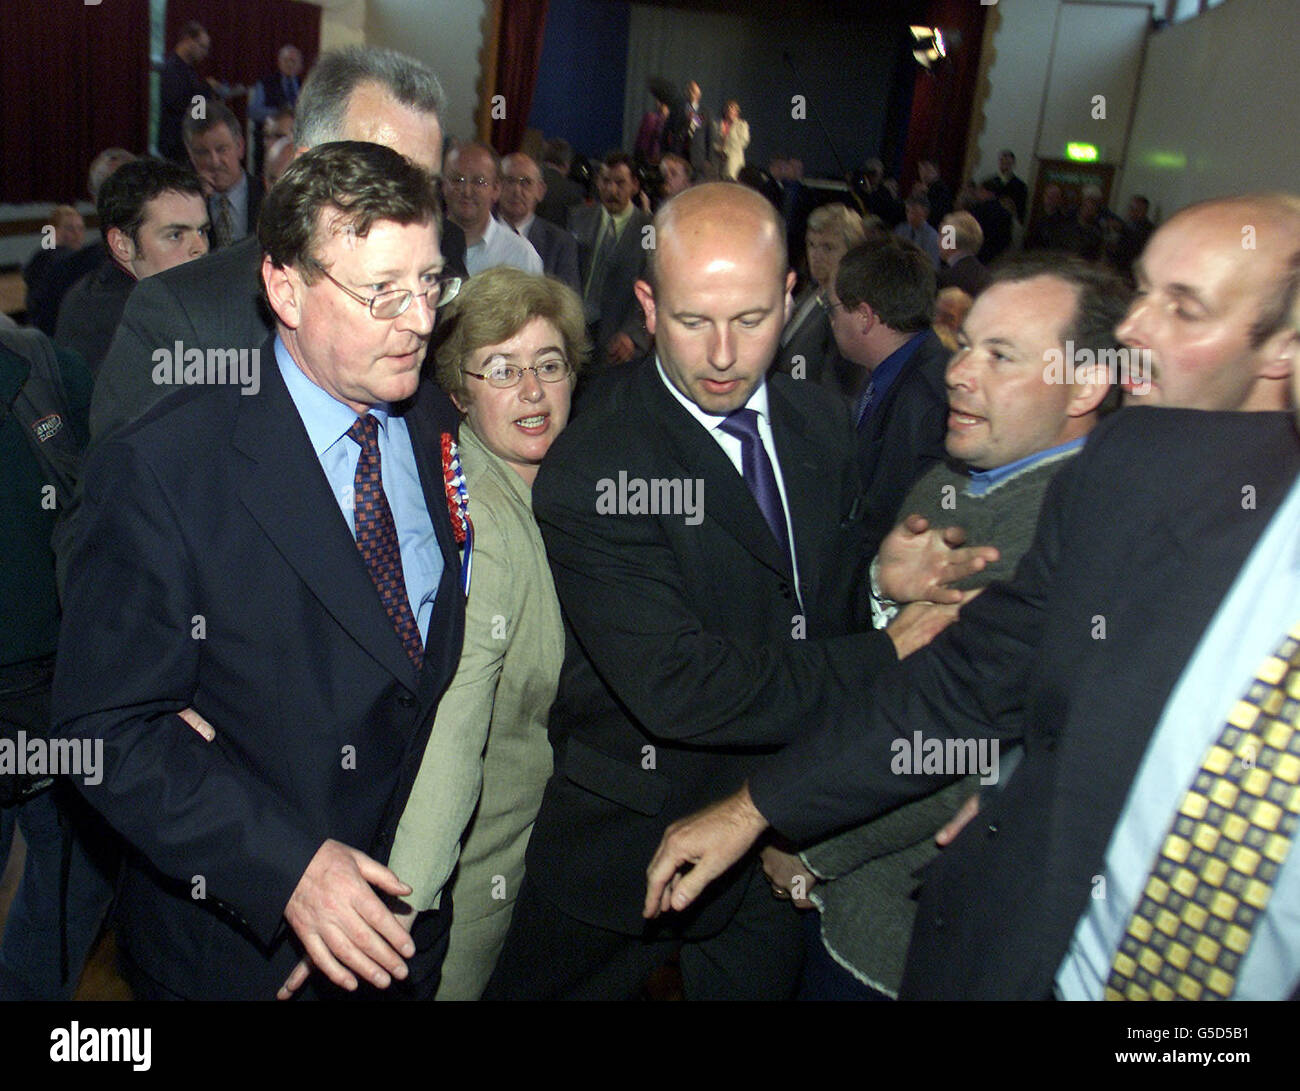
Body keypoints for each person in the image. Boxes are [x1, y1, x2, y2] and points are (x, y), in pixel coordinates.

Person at [644, 192, 1300, 1001]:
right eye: (1144, 290)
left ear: (1286, 348)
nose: (1134, 329)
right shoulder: (1134, 473)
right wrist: (754, 808)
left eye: (1185, 307)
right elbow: (965, 686)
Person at [486, 183, 964, 1001]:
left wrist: (881, 590)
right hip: (626, 850)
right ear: (646, 300)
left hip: (780, 844)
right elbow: (679, 686)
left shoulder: (821, 421)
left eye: (750, 320)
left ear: (791, 296)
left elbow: (821, 609)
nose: (720, 354)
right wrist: (885, 649)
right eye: (691, 319)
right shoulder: (597, 461)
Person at [52, 141, 466, 1002]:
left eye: (432, 283)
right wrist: (288, 870)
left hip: (410, 928)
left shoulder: (430, 414)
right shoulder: (166, 467)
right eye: (382, 291)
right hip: (243, 950)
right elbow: (104, 733)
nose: (421, 320)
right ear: (284, 288)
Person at [767, 255, 1126, 1000]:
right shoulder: (947, 483)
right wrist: (876, 588)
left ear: (1087, 384)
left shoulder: (1077, 530)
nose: (960, 373)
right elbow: (871, 663)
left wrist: (811, 845)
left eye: (1002, 356)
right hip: (838, 903)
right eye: (965, 344)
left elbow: (965, 750)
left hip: (898, 939)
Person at [91, 45, 467, 443]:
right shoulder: (183, 316)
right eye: (380, 172)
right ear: (304, 168)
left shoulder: (435, 297)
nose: (408, 206)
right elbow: (116, 495)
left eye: (423, 184)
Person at [385, 267, 584, 1000]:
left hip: (534, 868)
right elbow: (453, 724)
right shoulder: (482, 523)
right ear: (461, 391)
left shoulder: (561, 487)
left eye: (549, 364)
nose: (532, 390)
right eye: (503, 369)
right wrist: (402, 912)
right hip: (467, 888)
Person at [828, 235, 951, 552]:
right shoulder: (895, 370)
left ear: (864, 317)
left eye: (833, 309)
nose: (830, 321)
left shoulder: (927, 400)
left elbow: (889, 522)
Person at [54, 159, 209, 375]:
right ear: (122, 245)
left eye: (202, 231)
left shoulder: (90, 291)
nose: (200, 247)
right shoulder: (136, 318)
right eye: (175, 235)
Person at [775, 202, 867, 399]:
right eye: (811, 244)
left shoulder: (848, 310)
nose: (816, 255)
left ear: (851, 252)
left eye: (828, 247)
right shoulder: (808, 294)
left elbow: (841, 389)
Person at [569, 152, 651, 368]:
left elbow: (653, 286)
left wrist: (633, 335)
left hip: (617, 342)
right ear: (597, 181)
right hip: (575, 336)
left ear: (634, 185)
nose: (611, 190)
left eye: (620, 183)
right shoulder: (578, 218)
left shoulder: (649, 230)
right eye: (606, 181)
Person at [444, 143, 542, 277]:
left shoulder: (520, 257)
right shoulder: (422, 243)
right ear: (443, 185)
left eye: (479, 181)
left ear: (496, 189)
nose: (466, 191)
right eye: (457, 180)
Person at [184, 102, 261, 250]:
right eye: (202, 152)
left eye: (221, 149)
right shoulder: (185, 206)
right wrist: (195, 203)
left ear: (240, 146)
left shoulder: (268, 193)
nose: (214, 162)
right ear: (191, 156)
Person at [498, 152, 580, 291]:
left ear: (540, 191)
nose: (517, 190)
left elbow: (568, 302)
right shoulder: (479, 230)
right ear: (496, 187)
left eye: (526, 182)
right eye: (510, 181)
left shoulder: (560, 243)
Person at [158, 21, 214, 164]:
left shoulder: (188, 70)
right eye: (202, 47)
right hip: (176, 145)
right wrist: (206, 89)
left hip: (186, 142)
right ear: (188, 41)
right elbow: (181, 105)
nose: (204, 53)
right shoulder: (173, 69)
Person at [936, 211, 990, 297]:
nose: (937, 242)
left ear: (949, 241)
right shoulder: (987, 276)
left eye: (941, 236)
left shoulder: (945, 280)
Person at [981, 148, 1027, 224]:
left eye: (1008, 162)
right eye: (1002, 161)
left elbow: (1021, 209)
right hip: (989, 220)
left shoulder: (1021, 186)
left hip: (1008, 222)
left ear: (1013, 164)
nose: (1004, 164)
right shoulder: (989, 182)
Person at [893, 195, 941, 268]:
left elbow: (933, 265)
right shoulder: (900, 230)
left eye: (914, 212)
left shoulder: (932, 236)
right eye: (908, 211)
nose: (910, 216)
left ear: (925, 213)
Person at [712, 100, 750, 182]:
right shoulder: (716, 123)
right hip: (717, 159)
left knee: (731, 183)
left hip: (733, 160)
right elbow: (712, 140)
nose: (729, 109)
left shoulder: (742, 125)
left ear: (737, 111)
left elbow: (744, 142)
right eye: (728, 108)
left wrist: (727, 149)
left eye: (732, 108)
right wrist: (718, 149)